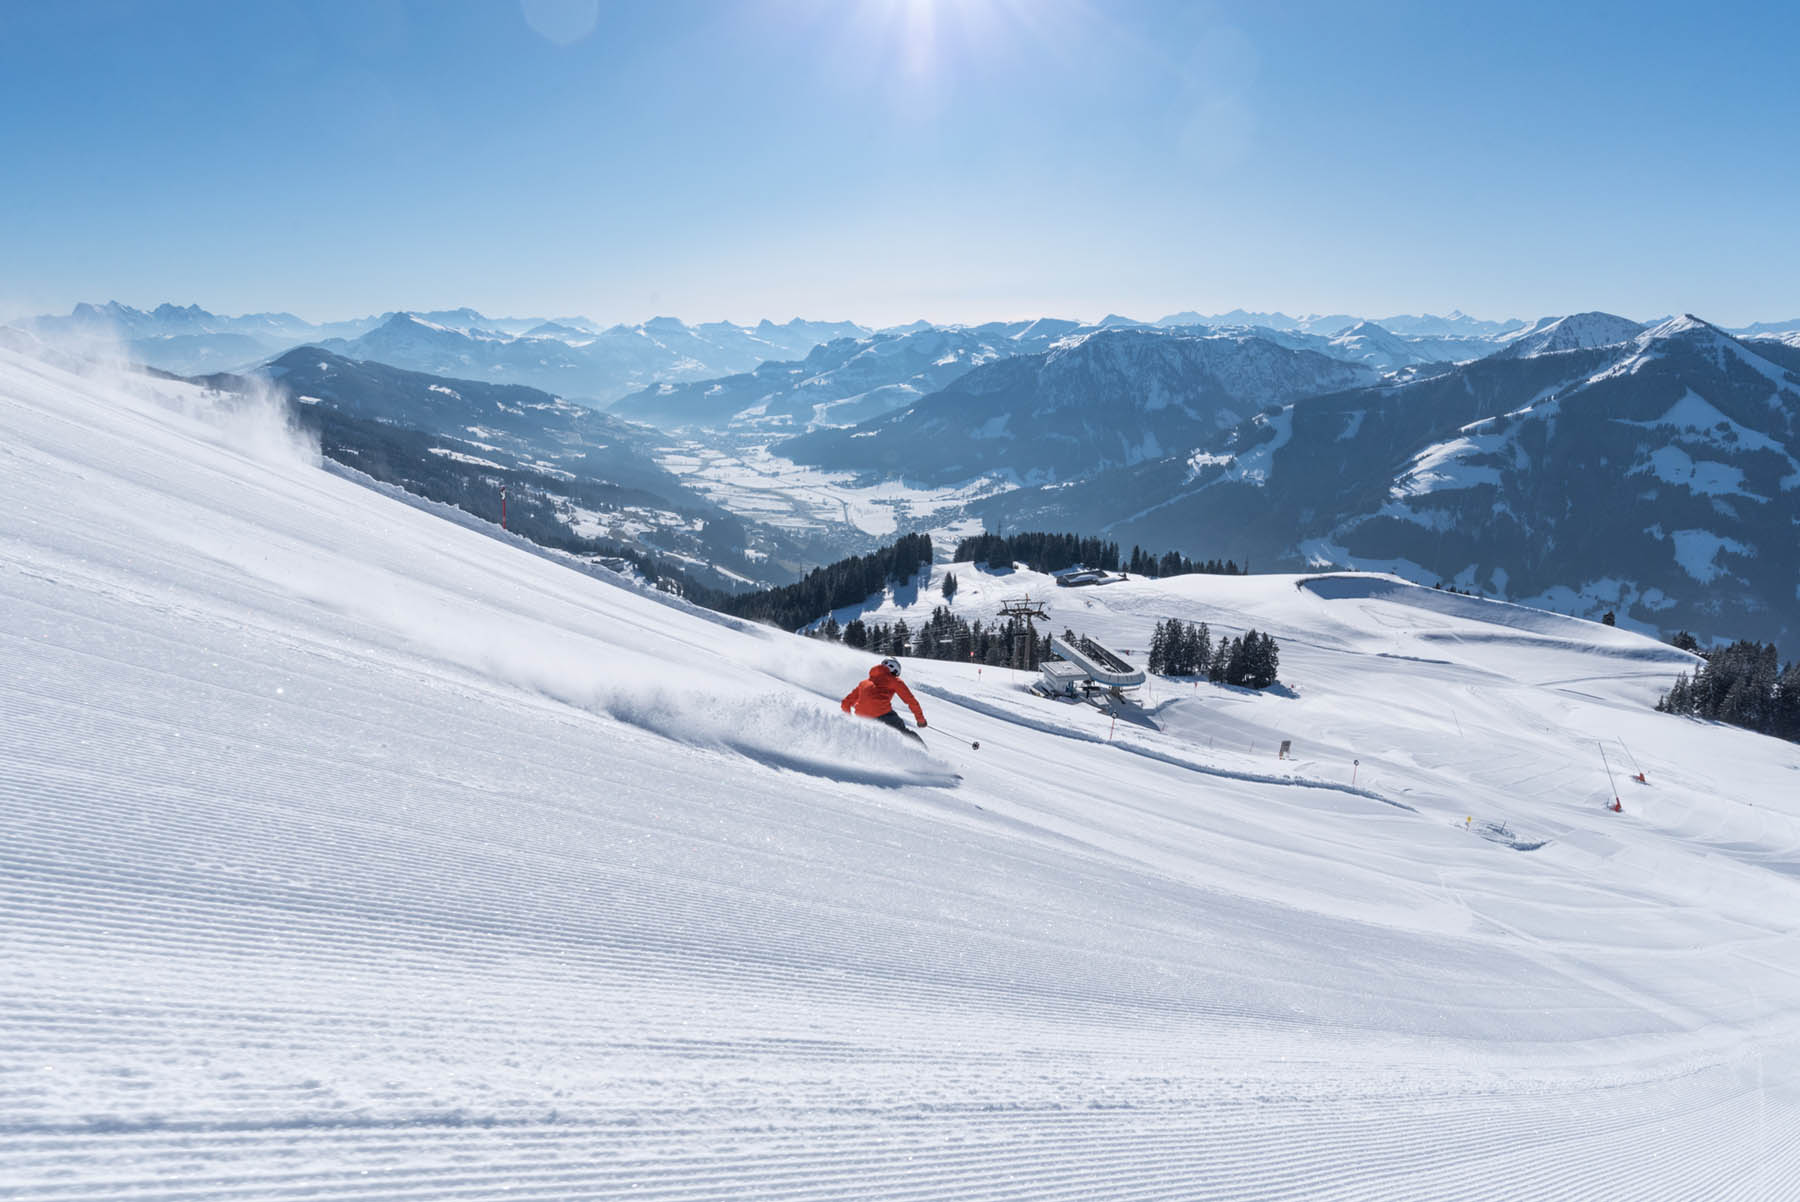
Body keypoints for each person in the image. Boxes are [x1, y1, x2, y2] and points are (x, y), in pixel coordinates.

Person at [841, 656, 927, 743]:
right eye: (895, 673)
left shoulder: (864, 683)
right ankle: (921, 749)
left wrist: (851, 719)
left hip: (862, 717)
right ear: (894, 670)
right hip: (882, 714)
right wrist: (921, 720)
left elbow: (846, 703)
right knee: (903, 732)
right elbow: (910, 700)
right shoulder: (895, 681)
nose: (894, 675)